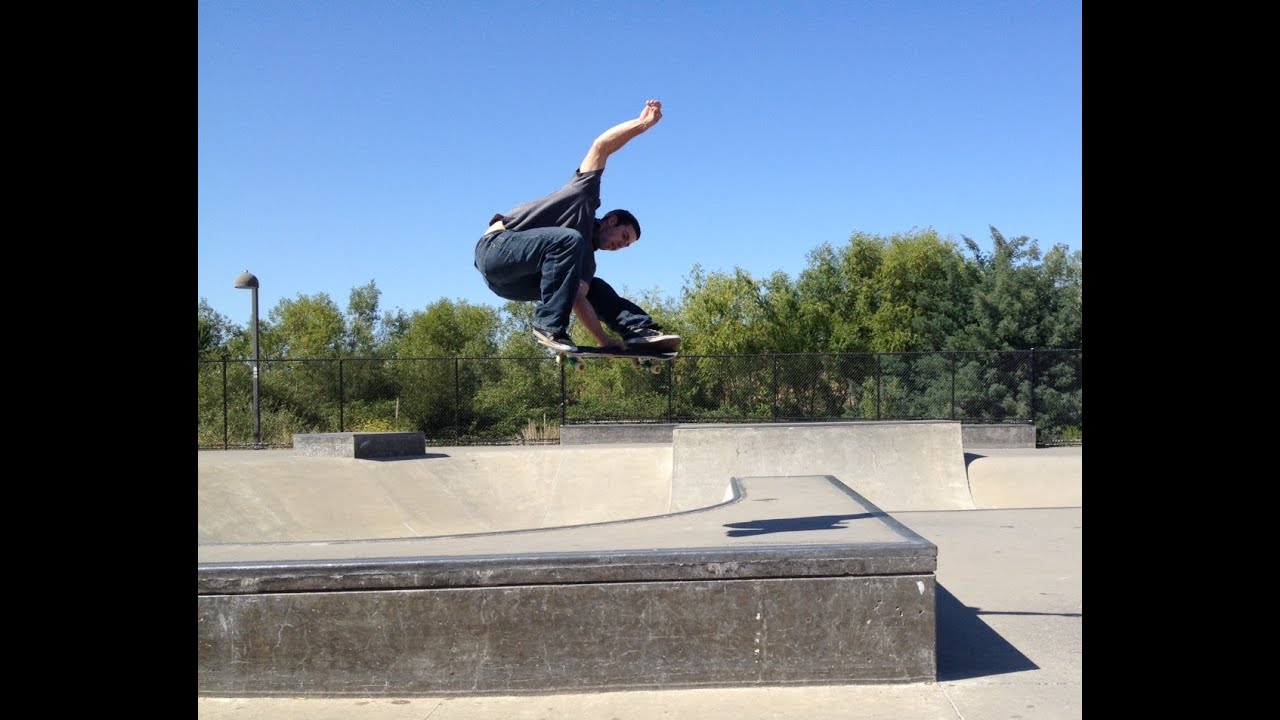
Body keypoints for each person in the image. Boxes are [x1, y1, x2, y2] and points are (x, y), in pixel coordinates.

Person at [473, 99, 681, 354]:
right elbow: (601, 146)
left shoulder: (585, 262)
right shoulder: (584, 198)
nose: (620, 246)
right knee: (569, 239)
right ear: (611, 220)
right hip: (497, 250)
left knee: (592, 285)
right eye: (623, 236)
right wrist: (641, 124)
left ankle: (638, 330)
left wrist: (602, 340)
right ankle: (548, 326)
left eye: (626, 246)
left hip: (510, 285)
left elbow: (577, 299)